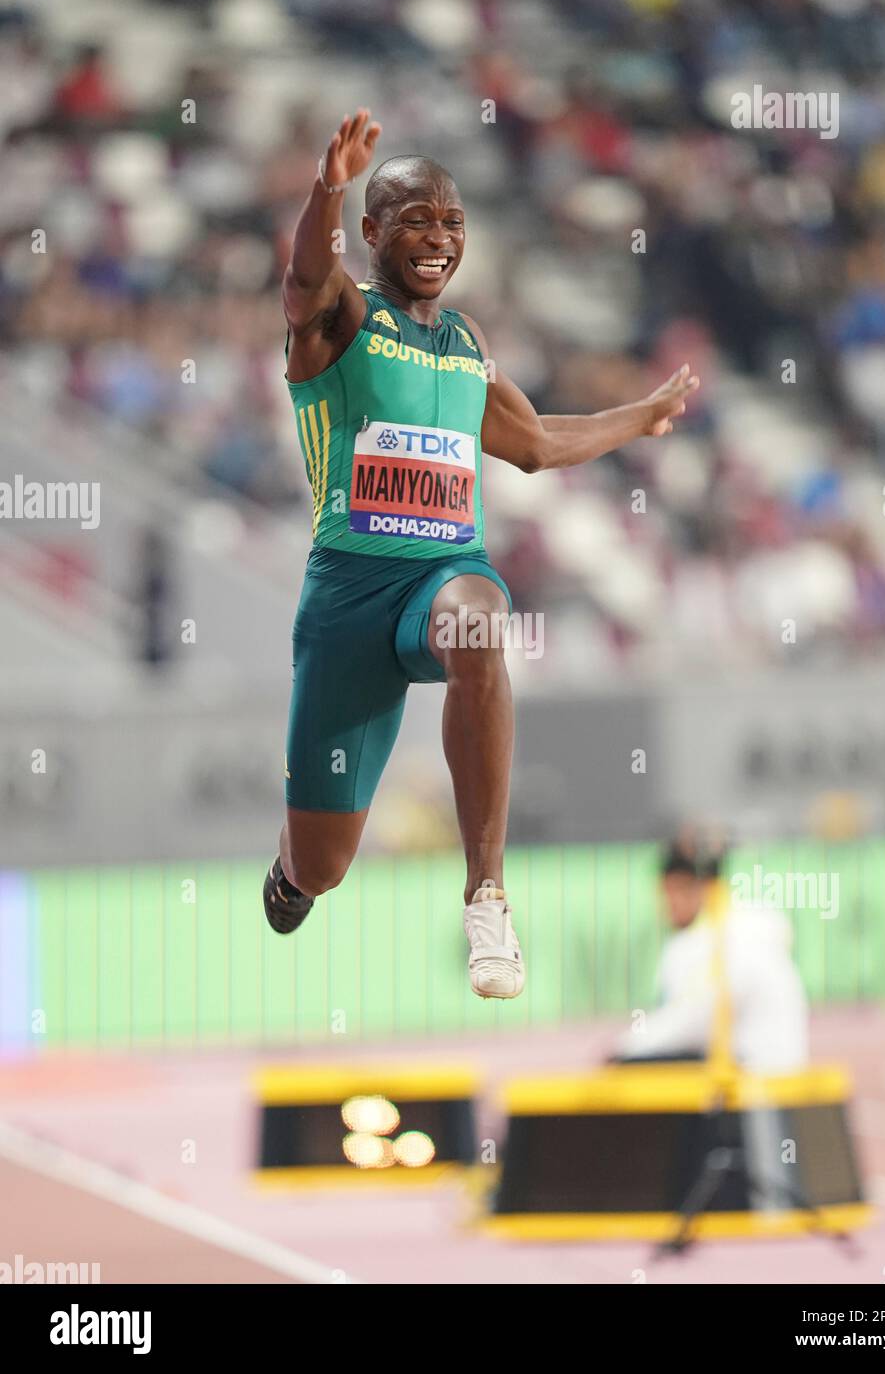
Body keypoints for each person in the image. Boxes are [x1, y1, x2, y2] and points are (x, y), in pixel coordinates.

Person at [262, 109, 699, 1001]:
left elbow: (535, 444)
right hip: (349, 596)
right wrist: (329, 184)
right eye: (416, 219)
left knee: (481, 621)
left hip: (440, 576)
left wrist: (639, 417)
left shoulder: (466, 346)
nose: (438, 237)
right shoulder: (342, 322)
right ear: (375, 232)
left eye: (453, 222)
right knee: (324, 865)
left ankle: (487, 896)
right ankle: (293, 870)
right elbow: (308, 274)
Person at [611, 839, 808, 1070]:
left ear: (700, 888)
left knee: (632, 1068)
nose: (668, 905)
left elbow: (691, 1020)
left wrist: (627, 1045)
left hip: (755, 1082)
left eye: (674, 892)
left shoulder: (716, 939)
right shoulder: (744, 927)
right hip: (766, 1071)